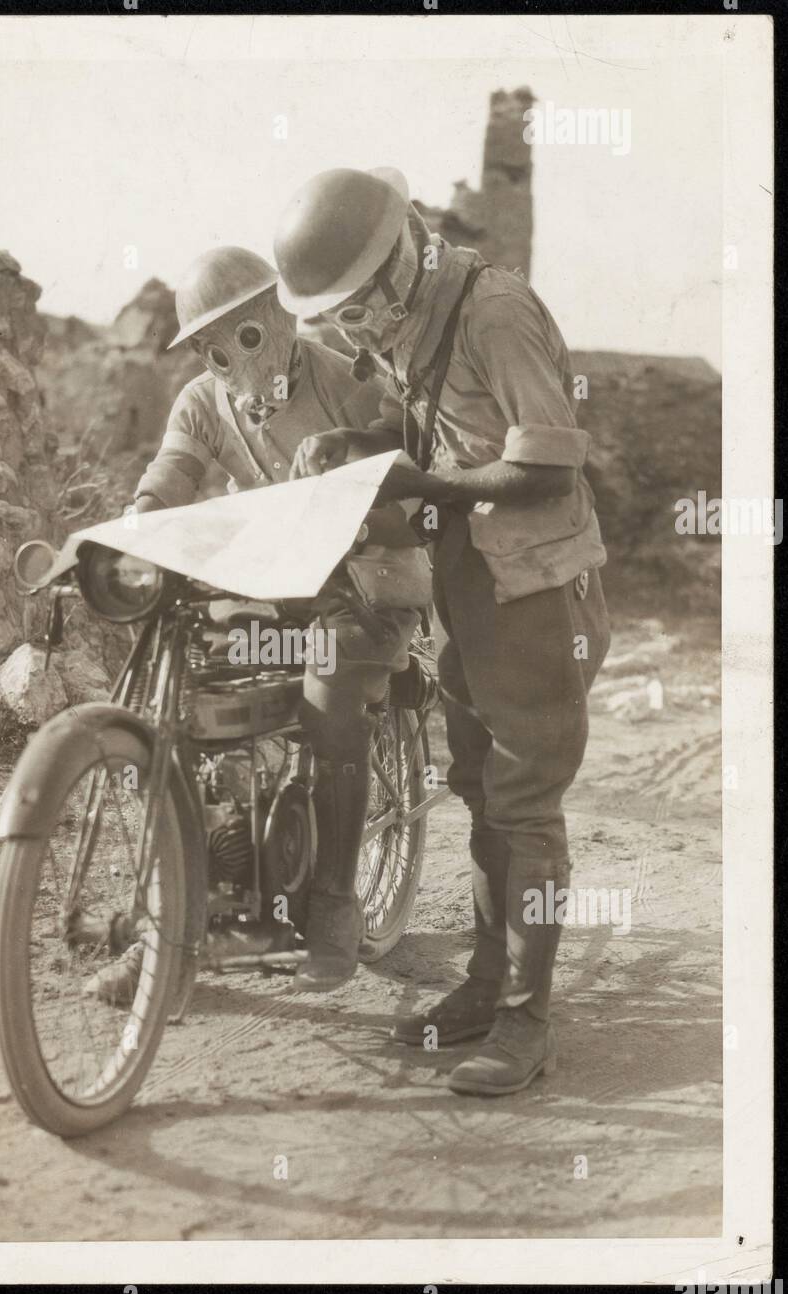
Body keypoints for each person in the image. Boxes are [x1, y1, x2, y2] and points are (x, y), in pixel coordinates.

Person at [272, 167, 610, 1093]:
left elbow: (545, 472)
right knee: (475, 788)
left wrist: (418, 487)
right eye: (336, 316)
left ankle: (524, 1027)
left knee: (522, 805)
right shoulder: (407, 314)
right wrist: (356, 449)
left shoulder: (492, 313)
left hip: (537, 595)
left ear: (400, 258)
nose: (352, 329)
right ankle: (484, 986)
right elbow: (418, 424)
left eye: (356, 307)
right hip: (470, 583)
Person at [118, 246, 431, 993]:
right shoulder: (200, 400)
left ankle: (332, 906)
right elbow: (171, 475)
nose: (230, 357)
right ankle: (174, 920)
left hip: (367, 580)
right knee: (174, 702)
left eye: (246, 335)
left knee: (329, 696)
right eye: (212, 347)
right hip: (278, 588)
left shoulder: (347, 380)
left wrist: (357, 518)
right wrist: (139, 526)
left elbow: (414, 482)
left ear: (281, 316)